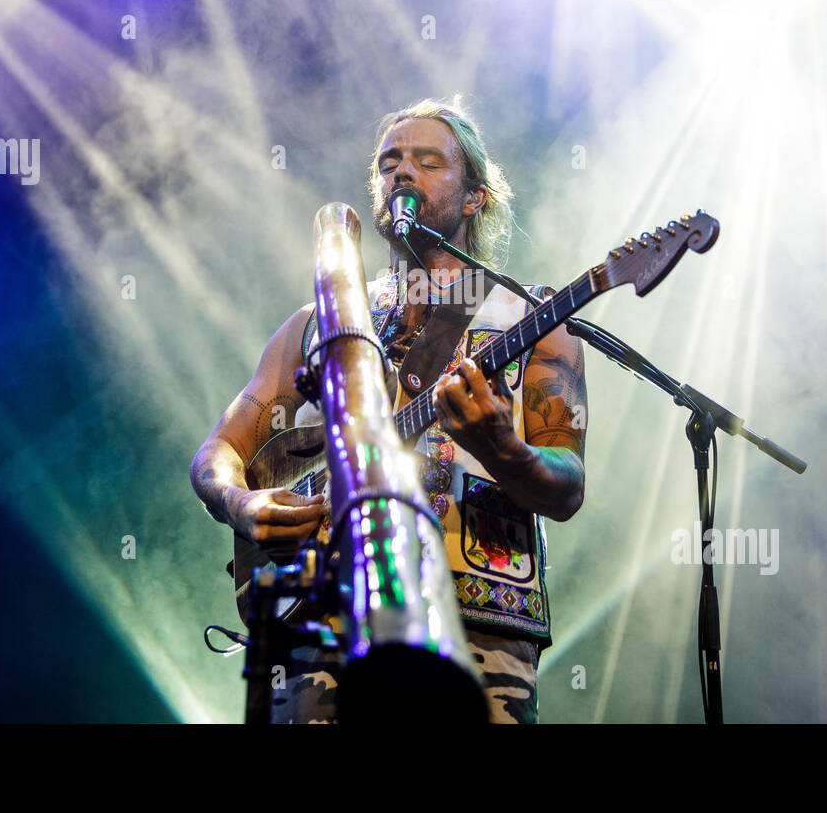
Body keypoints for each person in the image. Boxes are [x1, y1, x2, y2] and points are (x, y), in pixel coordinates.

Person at [190, 98, 587, 722]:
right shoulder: (322, 322)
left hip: (478, 635)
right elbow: (219, 453)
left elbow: (566, 487)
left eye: (428, 161)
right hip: (324, 622)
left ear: (476, 195)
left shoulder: (534, 319)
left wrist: (502, 449)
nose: (403, 172)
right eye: (389, 163)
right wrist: (242, 502)